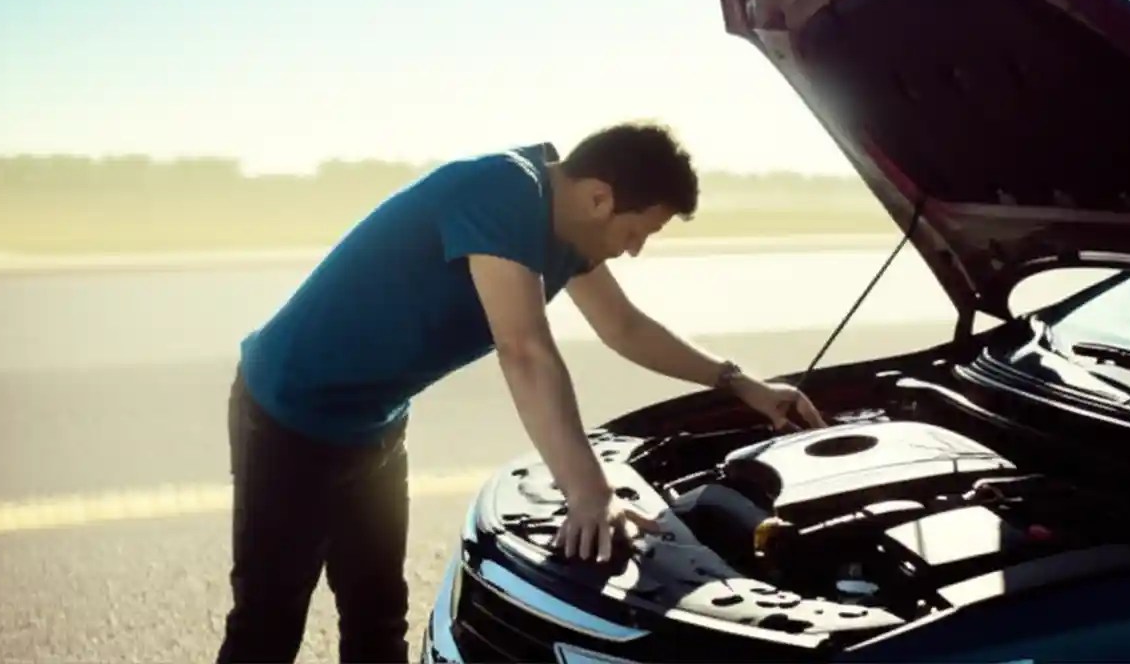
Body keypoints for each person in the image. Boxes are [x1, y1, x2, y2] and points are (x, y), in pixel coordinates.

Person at [215, 121, 827, 664]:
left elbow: (624, 327)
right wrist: (590, 494)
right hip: (288, 417)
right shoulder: (505, 190)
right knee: (268, 627)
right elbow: (525, 349)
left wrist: (740, 383)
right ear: (599, 198)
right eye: (639, 232)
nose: (634, 250)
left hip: (374, 425)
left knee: (378, 616)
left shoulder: (565, 227)